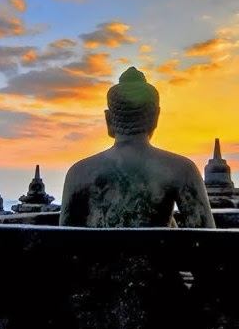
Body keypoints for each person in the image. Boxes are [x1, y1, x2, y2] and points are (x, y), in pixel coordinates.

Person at [60, 67, 215, 228]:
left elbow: (65, 242)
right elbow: (206, 240)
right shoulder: (181, 169)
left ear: (109, 119)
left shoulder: (78, 172)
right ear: (155, 116)